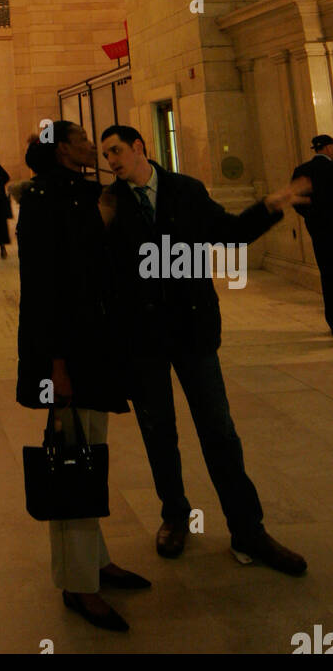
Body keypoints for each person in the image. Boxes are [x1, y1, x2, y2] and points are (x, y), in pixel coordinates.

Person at [100, 123, 310, 575]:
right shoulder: (111, 202)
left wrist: (270, 207)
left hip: (192, 331)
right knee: (159, 434)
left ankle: (248, 528)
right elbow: (103, 270)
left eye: (116, 150)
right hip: (143, 340)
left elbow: (229, 234)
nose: (112, 161)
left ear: (139, 147)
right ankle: (174, 516)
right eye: (106, 155)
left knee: (219, 432)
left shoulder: (185, 190)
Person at [16, 126, 145, 633]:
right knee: (73, 460)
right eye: (85, 140)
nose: (94, 147)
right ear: (62, 149)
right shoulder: (46, 201)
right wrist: (57, 365)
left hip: (93, 345)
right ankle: (78, 585)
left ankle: (96, 559)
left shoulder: (78, 192)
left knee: (89, 452)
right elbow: (43, 288)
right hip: (68, 354)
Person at [291, 133, 333, 334]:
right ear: (328, 148)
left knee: (327, 274)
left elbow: (296, 201)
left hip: (319, 231)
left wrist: (313, 217)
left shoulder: (302, 170)